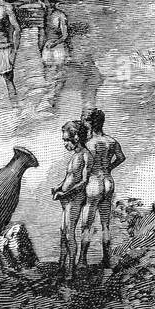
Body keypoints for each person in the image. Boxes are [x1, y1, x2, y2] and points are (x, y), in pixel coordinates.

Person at [77, 108, 126, 272]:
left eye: (84, 119)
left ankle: (82, 260)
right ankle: (107, 259)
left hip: (94, 183)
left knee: (87, 225)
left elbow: (82, 167)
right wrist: (109, 168)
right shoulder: (111, 141)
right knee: (105, 225)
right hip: (108, 181)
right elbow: (121, 157)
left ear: (89, 122)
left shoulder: (87, 144)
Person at [51, 119, 90, 281]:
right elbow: (69, 177)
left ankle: (70, 271)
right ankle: (61, 266)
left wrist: (65, 194)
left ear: (76, 138)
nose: (64, 144)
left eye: (66, 140)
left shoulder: (86, 155)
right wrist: (59, 187)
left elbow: (83, 182)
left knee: (69, 234)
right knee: (63, 233)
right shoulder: (75, 155)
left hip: (75, 199)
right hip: (66, 199)